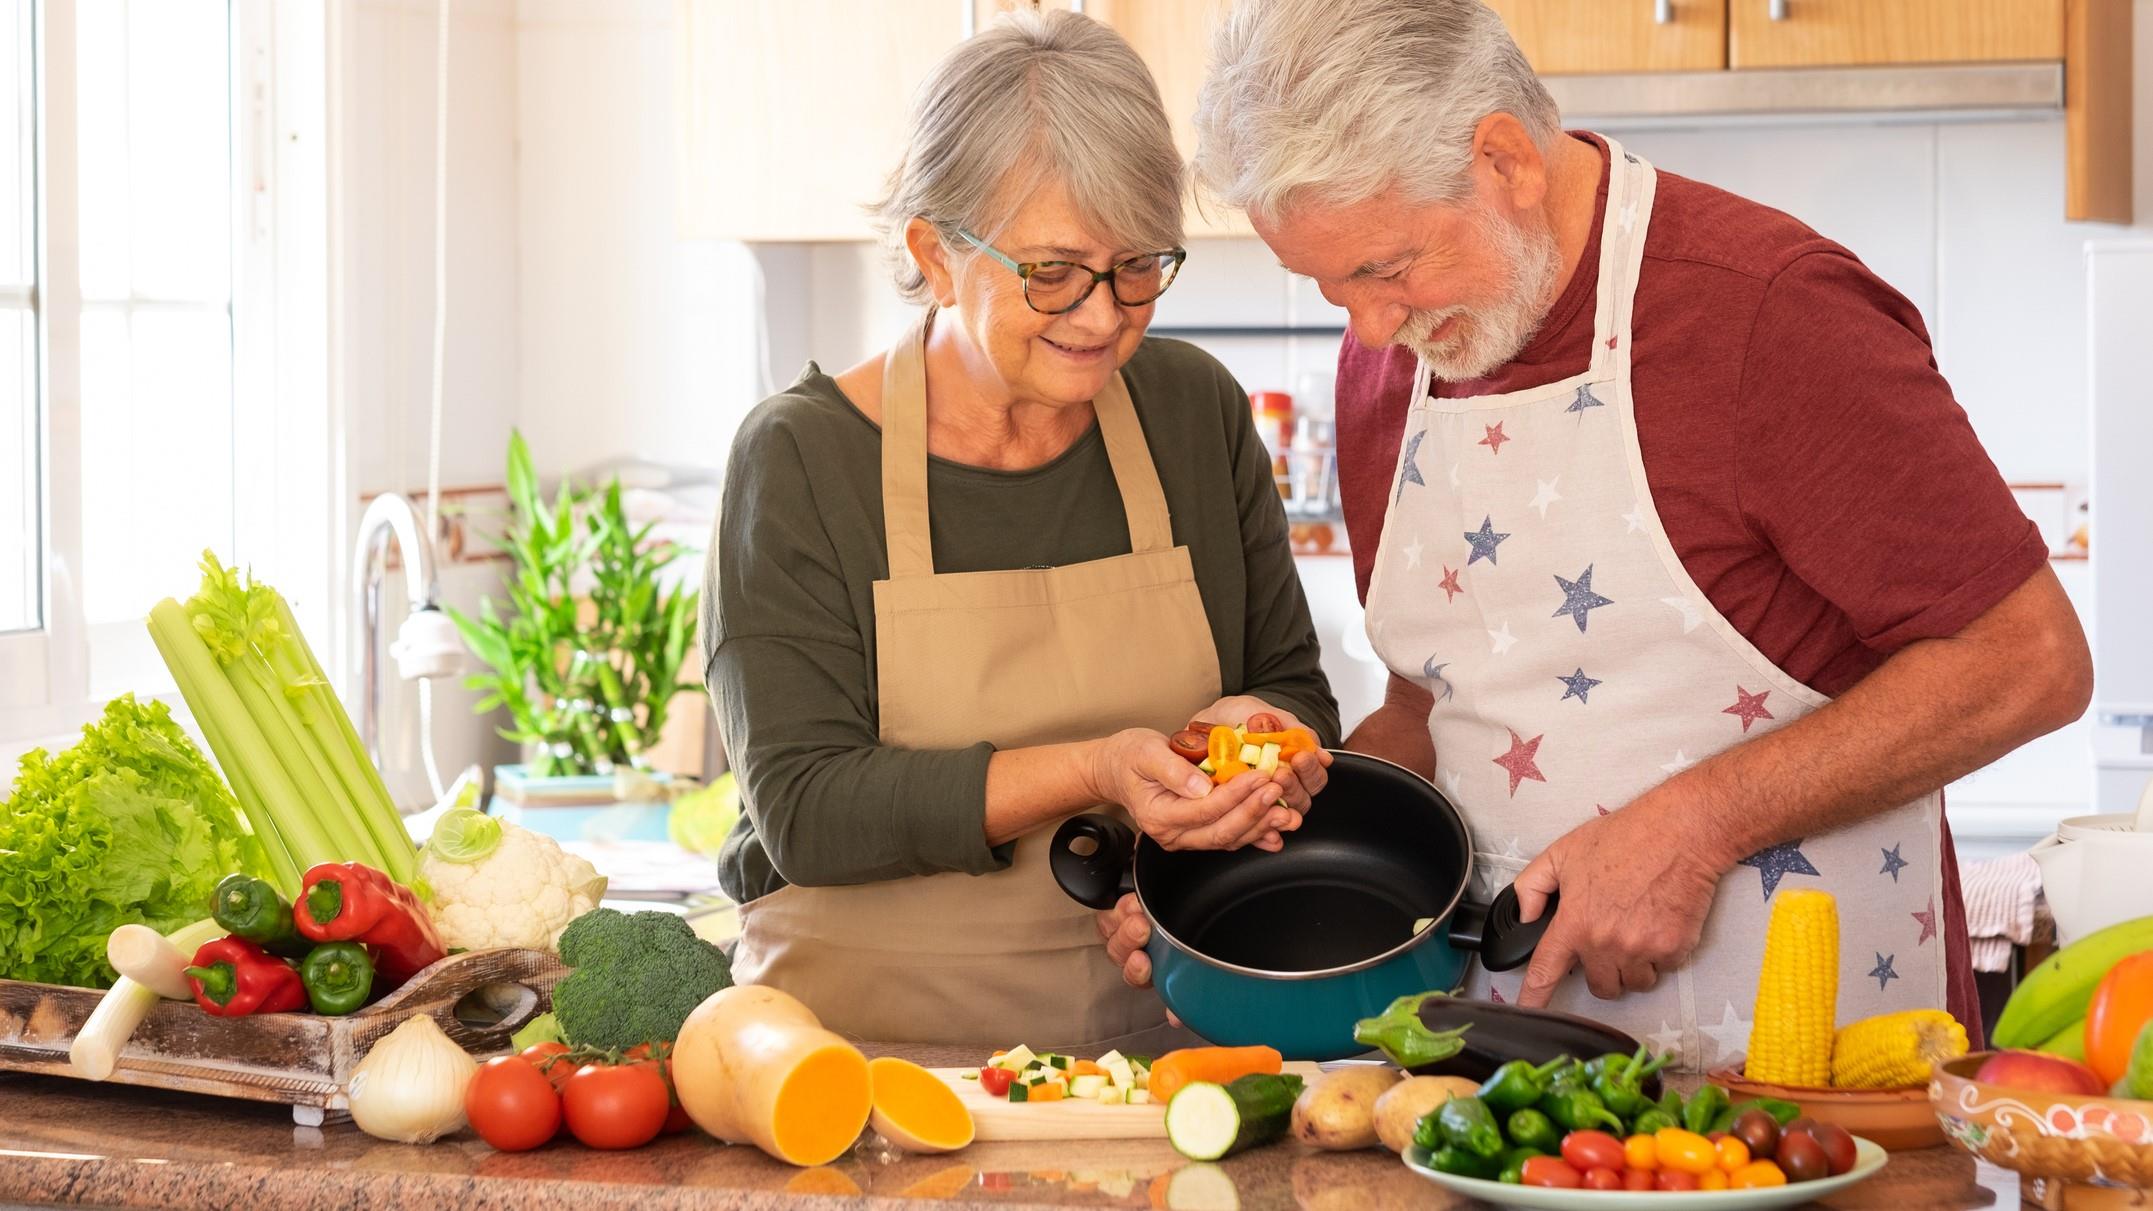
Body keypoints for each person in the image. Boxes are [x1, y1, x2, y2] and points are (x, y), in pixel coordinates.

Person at [1101, 0, 2092, 1069]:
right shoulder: (1387, 360)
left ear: (1504, 161)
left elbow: (2028, 661)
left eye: (1385, 268)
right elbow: (1435, 702)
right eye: (1328, 286)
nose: (1368, 328)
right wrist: (1241, 866)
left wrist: (1693, 825)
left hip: (1812, 1077)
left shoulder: (1769, 315)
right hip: (1495, 1085)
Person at [703, 9, 1338, 1050]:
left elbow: (1296, 685)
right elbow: (806, 807)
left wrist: (1260, 745)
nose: (1102, 315)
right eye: (1051, 271)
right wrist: (1098, 766)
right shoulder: (800, 458)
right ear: (935, 254)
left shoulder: (1192, 411)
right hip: (860, 1079)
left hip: (1158, 1067)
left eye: (1139, 266)